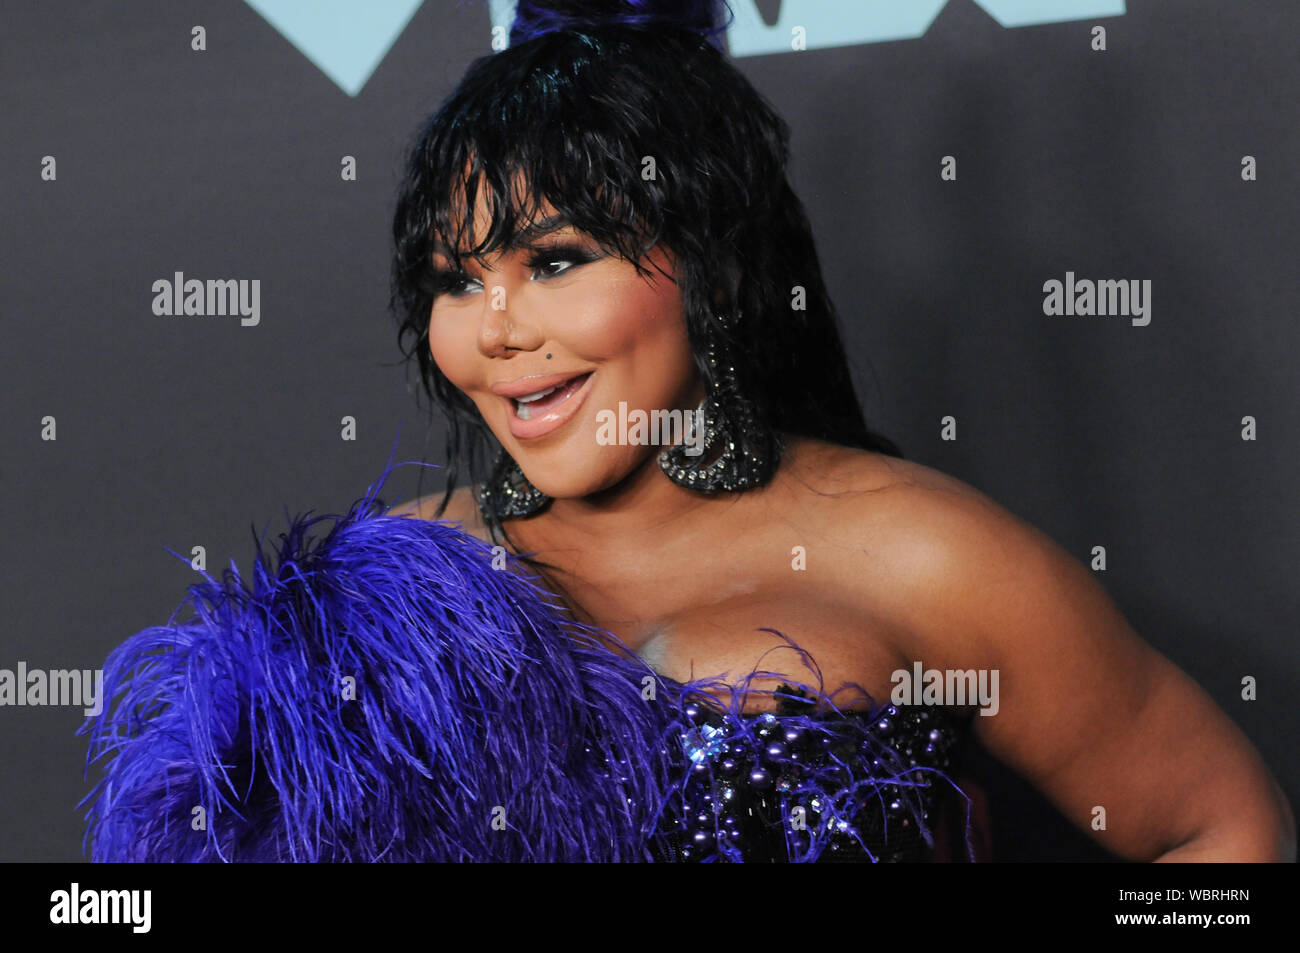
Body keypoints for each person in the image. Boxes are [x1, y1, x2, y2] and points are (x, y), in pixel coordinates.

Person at [384, 0, 1294, 861]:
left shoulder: (923, 555)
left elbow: (1226, 829)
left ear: (718, 264)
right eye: (453, 281)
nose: (495, 328)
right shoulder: (391, 578)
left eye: (555, 261)